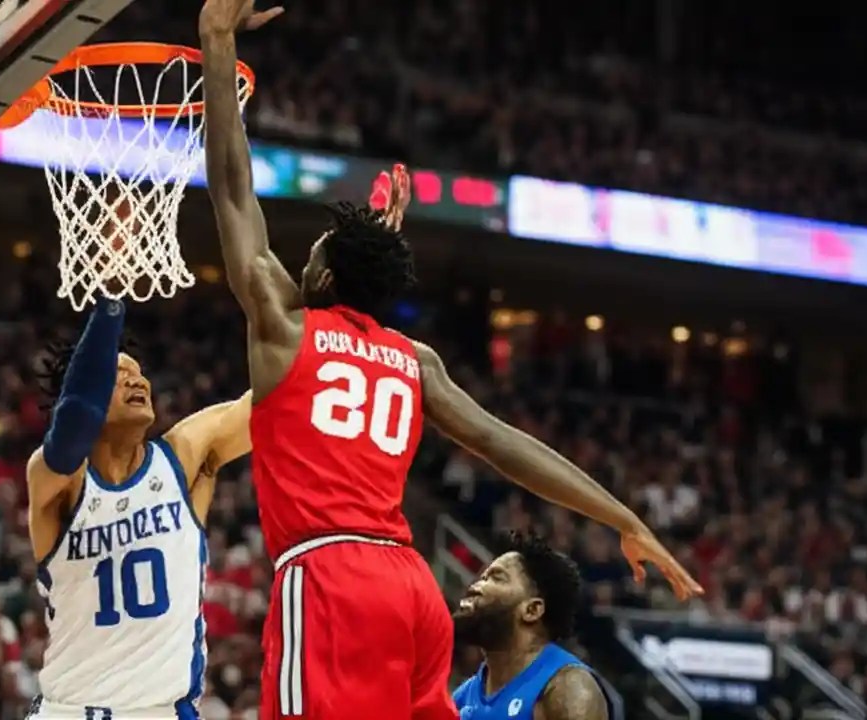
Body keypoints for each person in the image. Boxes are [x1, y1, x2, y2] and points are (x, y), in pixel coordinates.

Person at [197, 3, 703, 718]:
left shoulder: (285, 327)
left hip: (329, 572)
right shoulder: (415, 359)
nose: (298, 260)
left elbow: (231, 186)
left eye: (311, 256)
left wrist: (216, 42)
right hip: (413, 590)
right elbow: (507, 445)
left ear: (328, 280)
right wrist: (622, 516)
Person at [23, 299, 252, 720]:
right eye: (118, 374)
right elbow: (74, 423)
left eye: (139, 373)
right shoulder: (57, 478)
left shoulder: (183, 456)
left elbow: (274, 400)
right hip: (69, 712)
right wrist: (109, 306)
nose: (137, 381)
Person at [452, 534, 607, 719]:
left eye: (496, 578)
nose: (475, 586)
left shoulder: (567, 688)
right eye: (482, 577)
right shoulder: (462, 699)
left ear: (532, 610)